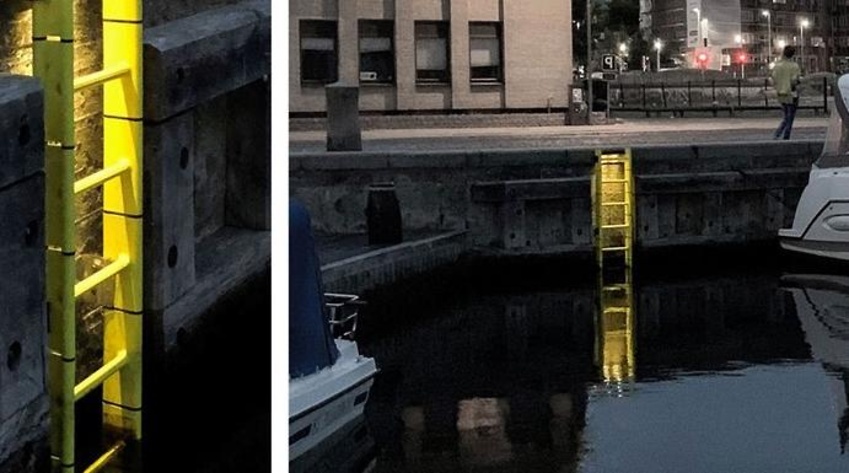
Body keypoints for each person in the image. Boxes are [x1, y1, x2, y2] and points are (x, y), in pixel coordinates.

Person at [771, 45, 802, 140]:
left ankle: (778, 134)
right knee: (790, 117)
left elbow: (773, 79)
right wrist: (799, 81)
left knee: (786, 115)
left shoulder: (777, 66)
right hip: (791, 93)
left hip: (780, 93)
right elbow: (794, 81)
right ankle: (784, 135)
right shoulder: (794, 66)